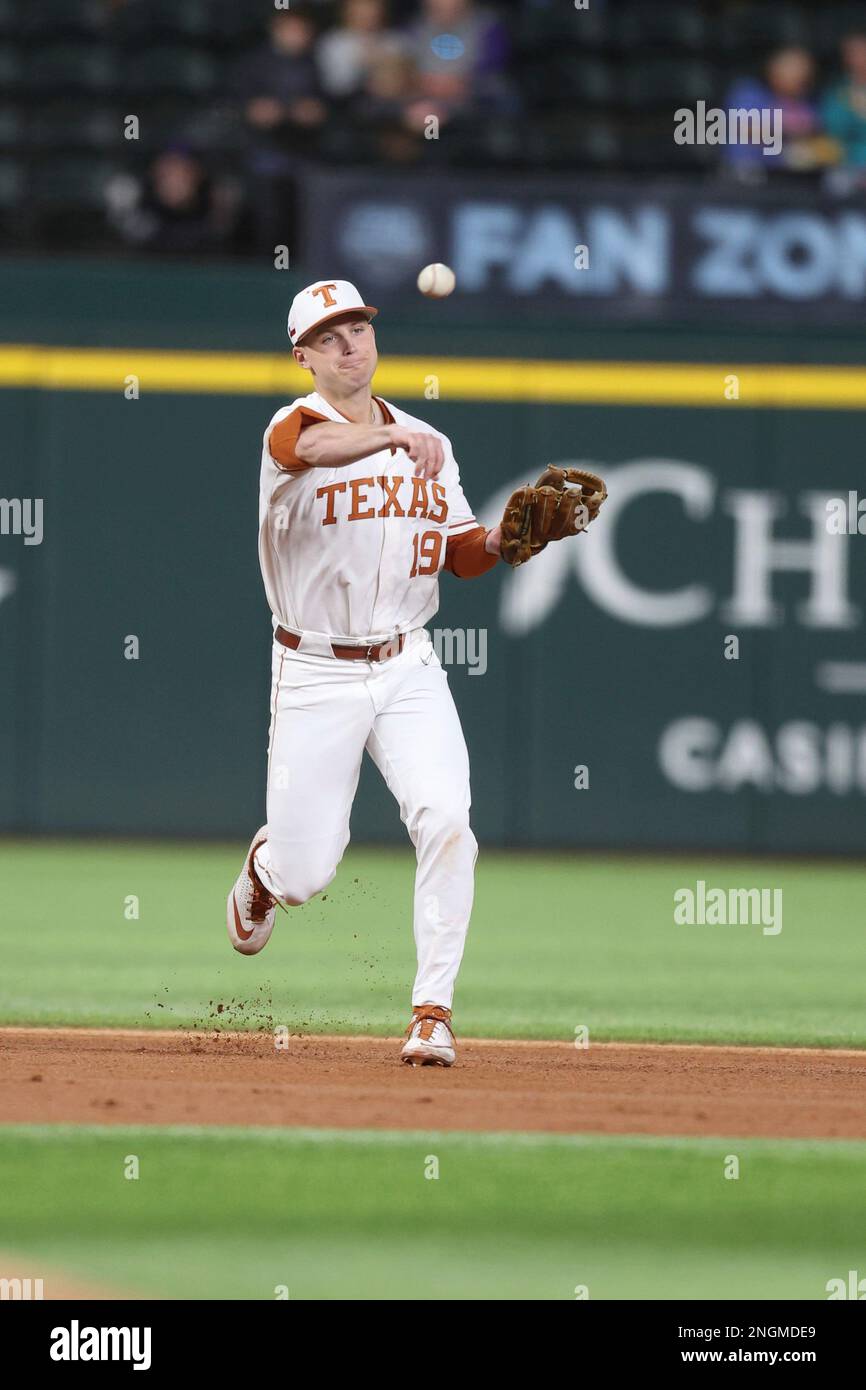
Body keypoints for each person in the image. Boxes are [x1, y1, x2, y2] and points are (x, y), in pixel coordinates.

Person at [226, 279, 502, 1067]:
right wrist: (388, 443)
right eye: (331, 336)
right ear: (304, 357)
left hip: (409, 661)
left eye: (360, 330)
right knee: (308, 874)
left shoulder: (427, 440)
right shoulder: (293, 426)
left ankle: (432, 1015)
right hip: (314, 668)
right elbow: (313, 449)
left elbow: (463, 554)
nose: (352, 345)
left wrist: (514, 540)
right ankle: (266, 866)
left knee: (447, 819)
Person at [822, 31, 866, 169]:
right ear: (847, 58)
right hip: (852, 164)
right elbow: (833, 131)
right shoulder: (838, 92)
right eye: (856, 53)